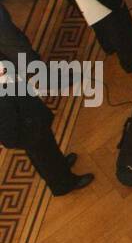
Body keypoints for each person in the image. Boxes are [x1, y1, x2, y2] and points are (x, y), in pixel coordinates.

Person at [0, 57, 93, 195]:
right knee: (44, 156)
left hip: (29, 116)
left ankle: (61, 165)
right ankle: (64, 184)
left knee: (47, 149)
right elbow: (8, 129)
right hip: (26, 129)